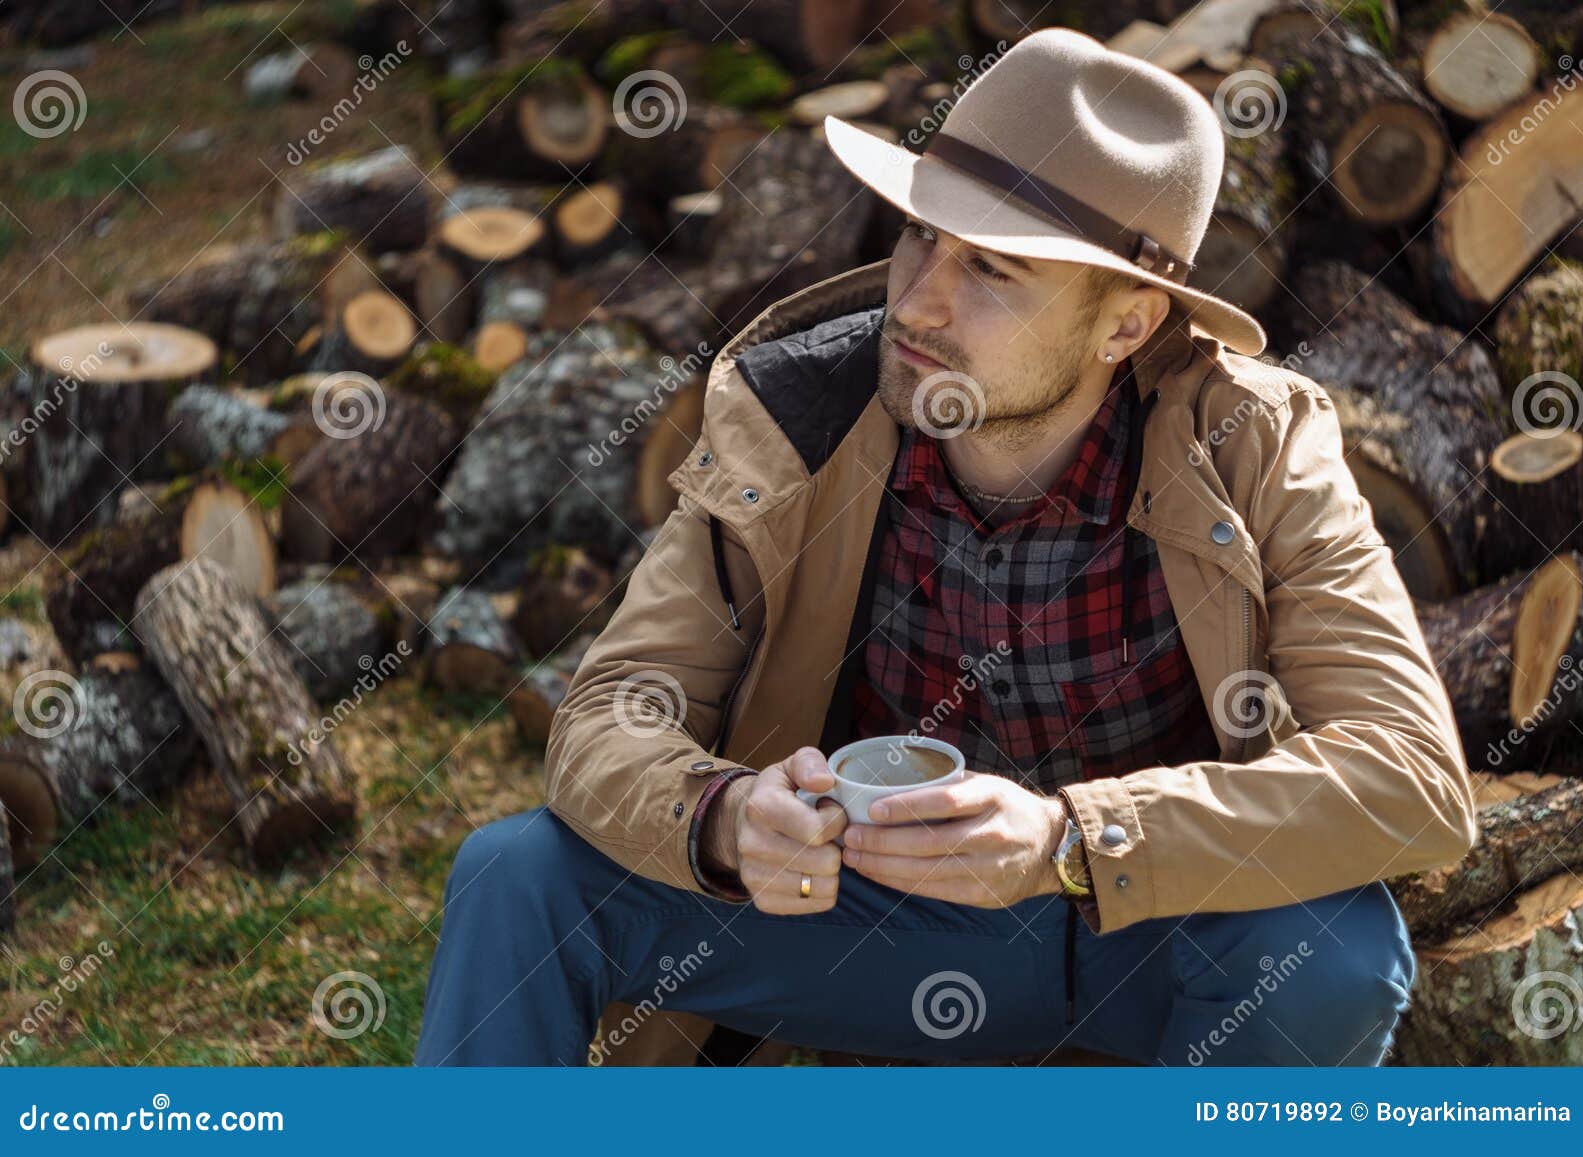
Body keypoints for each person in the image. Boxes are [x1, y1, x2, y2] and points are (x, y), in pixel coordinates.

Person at [415, 27, 1475, 1067]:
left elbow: (1414, 777)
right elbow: (613, 705)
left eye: (992, 270)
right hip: (868, 922)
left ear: (1126, 323)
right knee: (518, 875)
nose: (917, 300)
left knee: (1330, 951)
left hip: (1148, 929)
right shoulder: (802, 413)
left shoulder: (1257, 443)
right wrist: (723, 813)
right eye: (921, 234)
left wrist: (1070, 840)